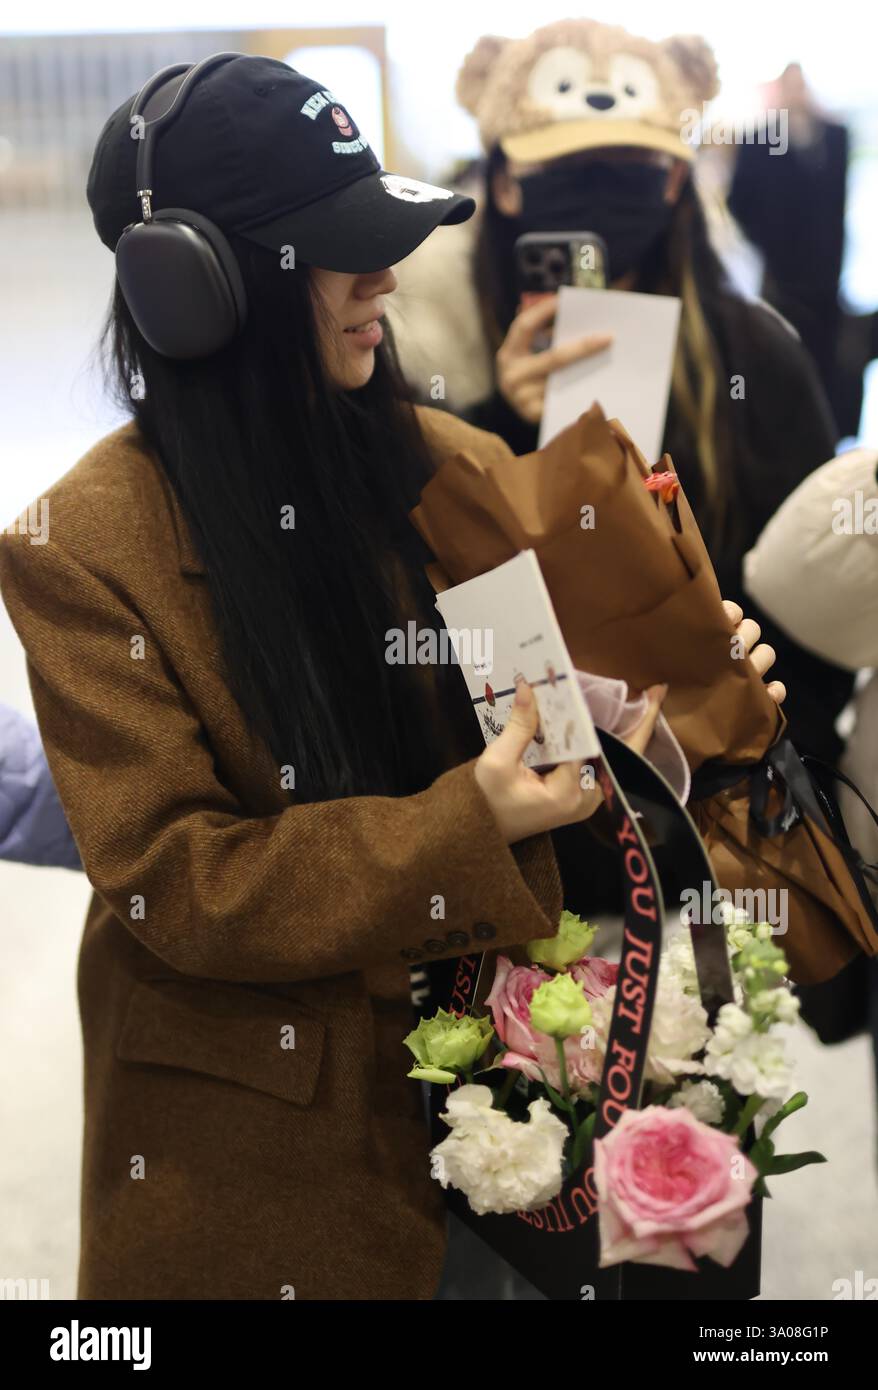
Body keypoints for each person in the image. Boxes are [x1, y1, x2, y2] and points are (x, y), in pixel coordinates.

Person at [0, 53, 783, 1301]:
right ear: (193, 286)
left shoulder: (444, 461)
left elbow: (578, 702)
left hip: (524, 1085)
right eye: (335, 249)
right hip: (270, 1143)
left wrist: (692, 688)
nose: (382, 276)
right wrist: (462, 825)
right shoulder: (86, 549)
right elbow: (175, 882)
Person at [391, 18, 852, 766]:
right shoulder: (436, 350)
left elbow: (817, 595)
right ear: (503, 182)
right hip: (531, 784)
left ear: (674, 179)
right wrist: (498, 425)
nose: (600, 190)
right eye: (567, 168)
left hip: (730, 778)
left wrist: (755, 721)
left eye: (632, 164)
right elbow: (433, 599)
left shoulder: (757, 358)